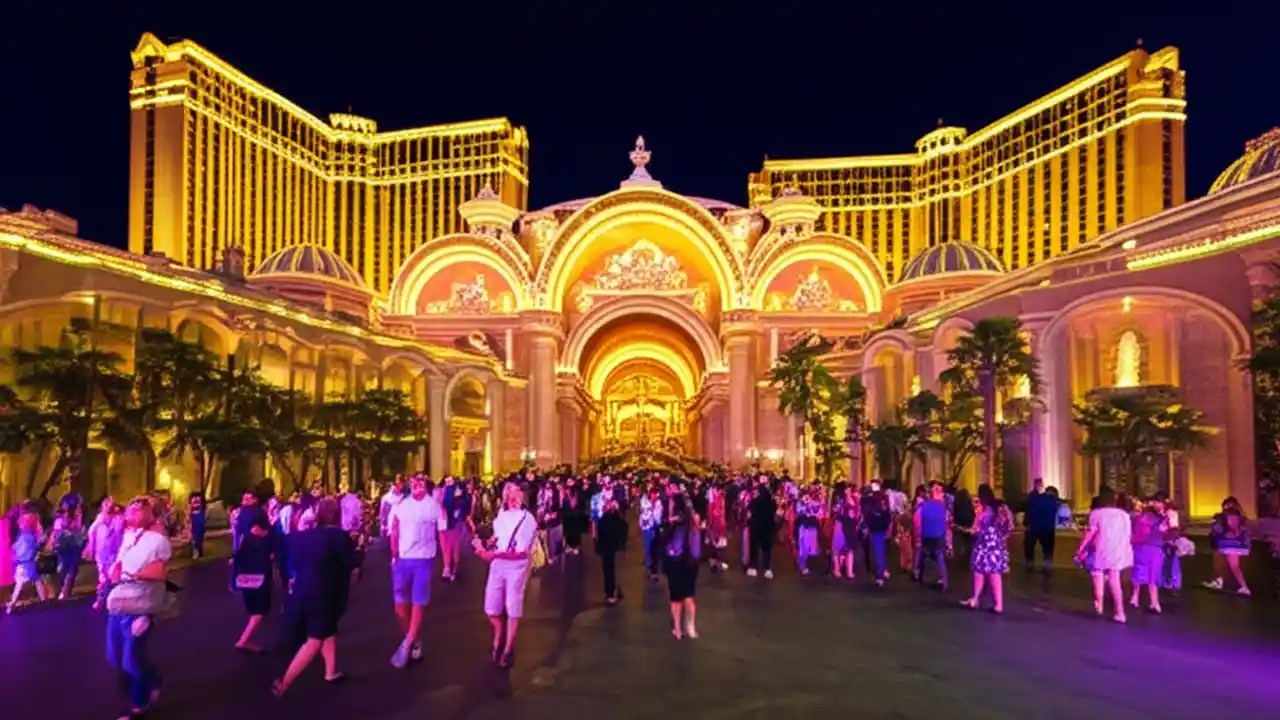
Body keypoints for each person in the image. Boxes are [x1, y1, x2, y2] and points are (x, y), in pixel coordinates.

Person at [271, 498, 357, 697]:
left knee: (327, 630)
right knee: (314, 640)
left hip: (303, 590)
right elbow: (349, 564)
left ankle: (330, 671)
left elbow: (285, 548)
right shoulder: (339, 537)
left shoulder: (302, 537)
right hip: (325, 593)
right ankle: (285, 682)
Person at [105, 496, 171, 718]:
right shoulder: (129, 535)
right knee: (114, 658)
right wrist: (115, 571)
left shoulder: (158, 540)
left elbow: (160, 572)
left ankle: (139, 705)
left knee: (131, 660)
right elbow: (121, 563)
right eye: (130, 508)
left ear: (152, 515)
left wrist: (135, 575)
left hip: (141, 607)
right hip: (119, 603)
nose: (131, 511)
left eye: (139, 509)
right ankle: (153, 680)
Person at [475, 483, 537, 668]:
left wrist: (493, 555)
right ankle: (499, 633)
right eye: (507, 494)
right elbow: (499, 539)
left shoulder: (527, 519)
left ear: (521, 496)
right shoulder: (501, 515)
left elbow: (521, 552)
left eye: (515, 494)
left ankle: (508, 648)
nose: (511, 498)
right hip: (498, 565)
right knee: (491, 607)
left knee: (512, 605)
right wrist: (486, 544)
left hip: (515, 566)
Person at [387, 474, 446, 669]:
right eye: (413, 483)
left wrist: (445, 562)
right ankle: (413, 638)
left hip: (423, 560)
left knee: (418, 602)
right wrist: (394, 553)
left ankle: (407, 644)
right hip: (402, 560)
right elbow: (395, 526)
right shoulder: (403, 504)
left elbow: (442, 529)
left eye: (420, 483)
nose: (416, 485)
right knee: (399, 606)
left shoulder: (433, 505)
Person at [1075, 491, 1133, 623]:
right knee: (1115, 581)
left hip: (1100, 550)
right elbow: (1128, 534)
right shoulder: (1124, 515)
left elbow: (1091, 532)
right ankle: (1120, 612)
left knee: (1098, 577)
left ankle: (1099, 606)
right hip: (1118, 551)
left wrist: (1080, 549)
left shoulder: (1097, 514)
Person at [961, 485, 1013, 614]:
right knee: (995, 574)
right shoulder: (998, 509)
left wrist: (967, 530)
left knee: (979, 572)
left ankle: (975, 599)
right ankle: (998, 604)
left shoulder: (982, 510)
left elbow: (975, 528)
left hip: (983, 545)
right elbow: (1008, 525)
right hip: (996, 545)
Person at [232, 491, 274, 653]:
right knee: (260, 607)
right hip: (258, 564)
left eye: (249, 498)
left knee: (252, 604)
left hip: (244, 563)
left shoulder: (240, 515)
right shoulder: (259, 514)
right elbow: (268, 535)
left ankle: (246, 639)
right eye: (245, 498)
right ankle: (244, 640)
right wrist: (267, 537)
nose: (246, 500)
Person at [664, 493, 702, 640]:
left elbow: (670, 546)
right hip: (691, 563)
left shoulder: (674, 524)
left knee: (676, 600)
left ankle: (678, 630)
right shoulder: (693, 521)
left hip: (676, 563)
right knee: (689, 598)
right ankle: (690, 627)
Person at [1129, 495, 1168, 614]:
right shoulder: (1162, 520)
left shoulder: (1140, 518)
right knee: (1153, 576)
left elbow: (1137, 534)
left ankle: (1135, 597)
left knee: (1138, 571)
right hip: (1157, 549)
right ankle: (1155, 603)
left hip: (1141, 548)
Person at [6, 508, 50, 613]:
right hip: (26, 562)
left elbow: (18, 548)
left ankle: (12, 604)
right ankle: (13, 604)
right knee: (31, 581)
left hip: (24, 563)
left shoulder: (24, 536)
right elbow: (36, 544)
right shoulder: (28, 536)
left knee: (28, 581)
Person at [593, 481, 627, 605]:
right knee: (608, 571)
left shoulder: (609, 519)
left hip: (609, 548)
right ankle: (610, 592)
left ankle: (610, 593)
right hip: (609, 548)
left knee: (609, 571)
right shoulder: (606, 519)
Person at [914, 482, 951, 590]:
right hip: (937, 534)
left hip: (928, 534)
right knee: (938, 557)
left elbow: (918, 521)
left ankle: (921, 576)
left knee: (924, 555)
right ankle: (943, 580)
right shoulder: (942, 506)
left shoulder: (924, 505)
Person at [439, 476, 472, 581]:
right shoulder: (447, 491)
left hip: (449, 524)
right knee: (449, 547)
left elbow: (462, 506)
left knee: (450, 547)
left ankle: (449, 568)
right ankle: (449, 568)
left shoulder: (444, 491)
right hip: (448, 524)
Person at [1023, 478, 1058, 575]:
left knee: (1029, 546)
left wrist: (1026, 523)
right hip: (1047, 527)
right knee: (1048, 549)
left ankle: (1030, 564)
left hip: (1034, 526)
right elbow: (1054, 511)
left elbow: (1028, 511)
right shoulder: (1050, 499)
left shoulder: (1032, 497)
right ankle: (1047, 567)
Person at [861, 484, 892, 587]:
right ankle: (881, 571)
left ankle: (880, 575)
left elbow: (868, 517)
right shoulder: (882, 503)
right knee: (880, 552)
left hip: (875, 530)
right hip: (879, 530)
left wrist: (868, 527)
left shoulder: (871, 503)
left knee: (877, 553)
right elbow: (887, 516)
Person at [747, 477, 777, 579]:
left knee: (754, 547)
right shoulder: (772, 502)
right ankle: (767, 568)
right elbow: (775, 513)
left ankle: (753, 567)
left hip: (756, 526)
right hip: (768, 527)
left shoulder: (754, 501)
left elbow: (749, 512)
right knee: (767, 549)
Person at [639, 485, 664, 580]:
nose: (652, 495)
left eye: (654, 494)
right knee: (648, 547)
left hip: (655, 529)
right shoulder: (646, 503)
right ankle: (649, 567)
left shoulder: (658, 504)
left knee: (654, 549)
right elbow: (642, 515)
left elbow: (658, 518)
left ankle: (654, 569)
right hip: (647, 528)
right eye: (651, 494)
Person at [379, 475, 405, 540]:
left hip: (403, 528)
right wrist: (384, 527)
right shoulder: (386, 498)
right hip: (391, 528)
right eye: (398, 483)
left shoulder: (405, 497)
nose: (400, 486)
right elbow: (383, 514)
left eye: (401, 483)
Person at [188, 493, 207, 560]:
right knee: (195, 537)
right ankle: (196, 551)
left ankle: (197, 551)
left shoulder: (200, 513)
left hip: (198, 518)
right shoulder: (193, 510)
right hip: (195, 518)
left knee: (198, 537)